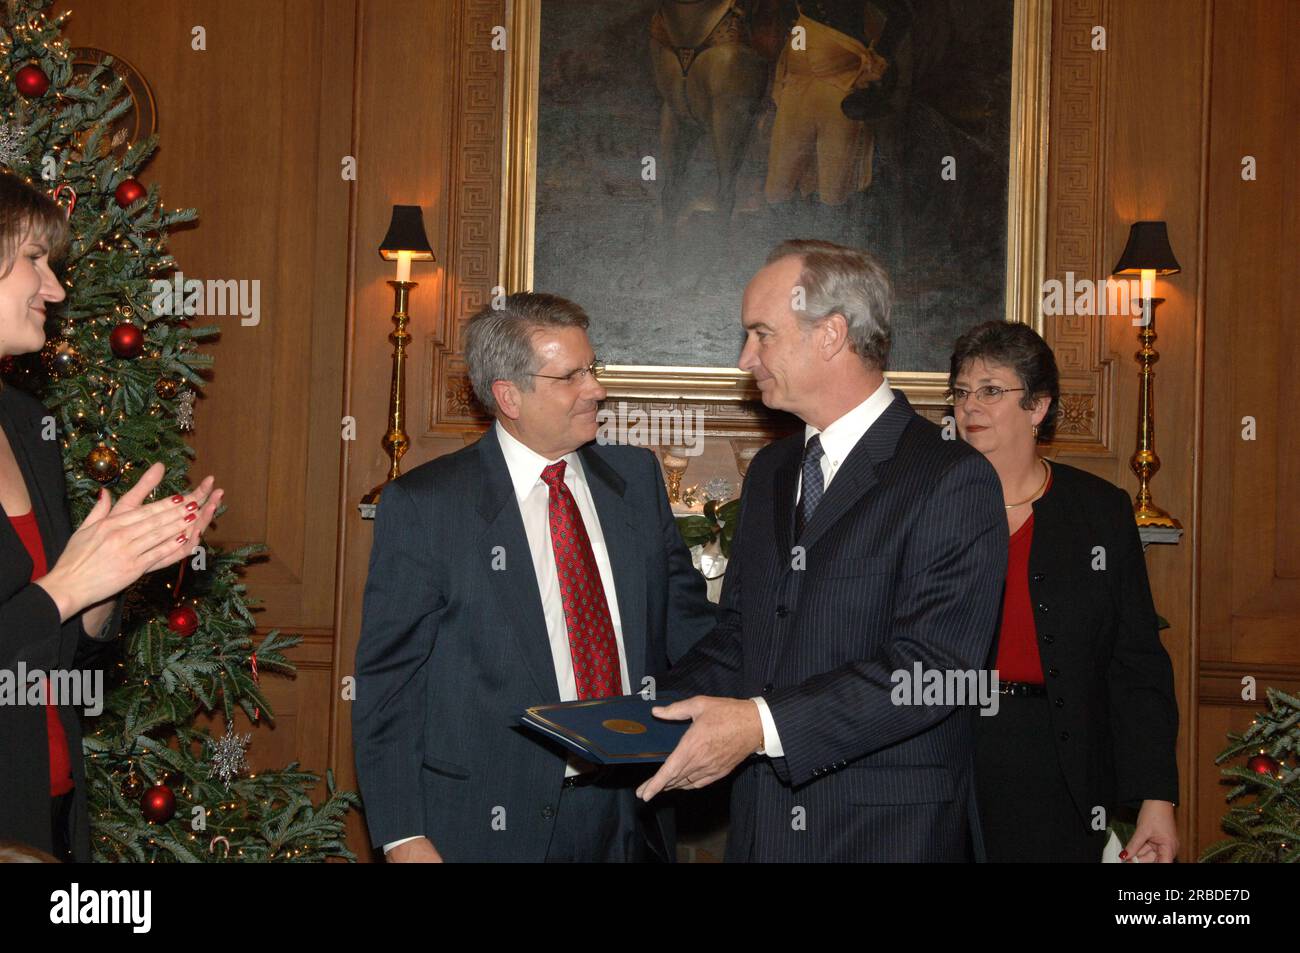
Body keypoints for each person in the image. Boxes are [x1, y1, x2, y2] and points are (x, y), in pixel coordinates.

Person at [637, 240, 1006, 861]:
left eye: (761, 334)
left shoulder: (949, 476)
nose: (745, 357)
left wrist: (759, 726)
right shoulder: (776, 469)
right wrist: (639, 714)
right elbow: (742, 637)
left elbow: (936, 670)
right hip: (763, 826)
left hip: (885, 834)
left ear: (831, 334)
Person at [353, 292, 716, 863]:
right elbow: (389, 687)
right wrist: (403, 836)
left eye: (592, 369)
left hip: (633, 813)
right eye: (570, 377)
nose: (595, 389)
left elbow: (693, 635)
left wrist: (758, 717)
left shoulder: (636, 481)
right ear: (509, 396)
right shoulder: (428, 507)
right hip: (489, 824)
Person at [0, 171, 222, 862]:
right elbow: (42, 604)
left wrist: (108, 583)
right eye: (35, 259)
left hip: (51, 818)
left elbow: (58, 657)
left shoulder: (24, 420)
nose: (56, 287)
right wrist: (66, 587)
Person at [947, 321, 1179, 862]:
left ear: (1038, 406)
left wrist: (1156, 798)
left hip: (1063, 768)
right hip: (949, 755)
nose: (968, 408)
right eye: (960, 393)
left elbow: (1138, 665)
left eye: (989, 391)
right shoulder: (929, 505)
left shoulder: (1099, 511)